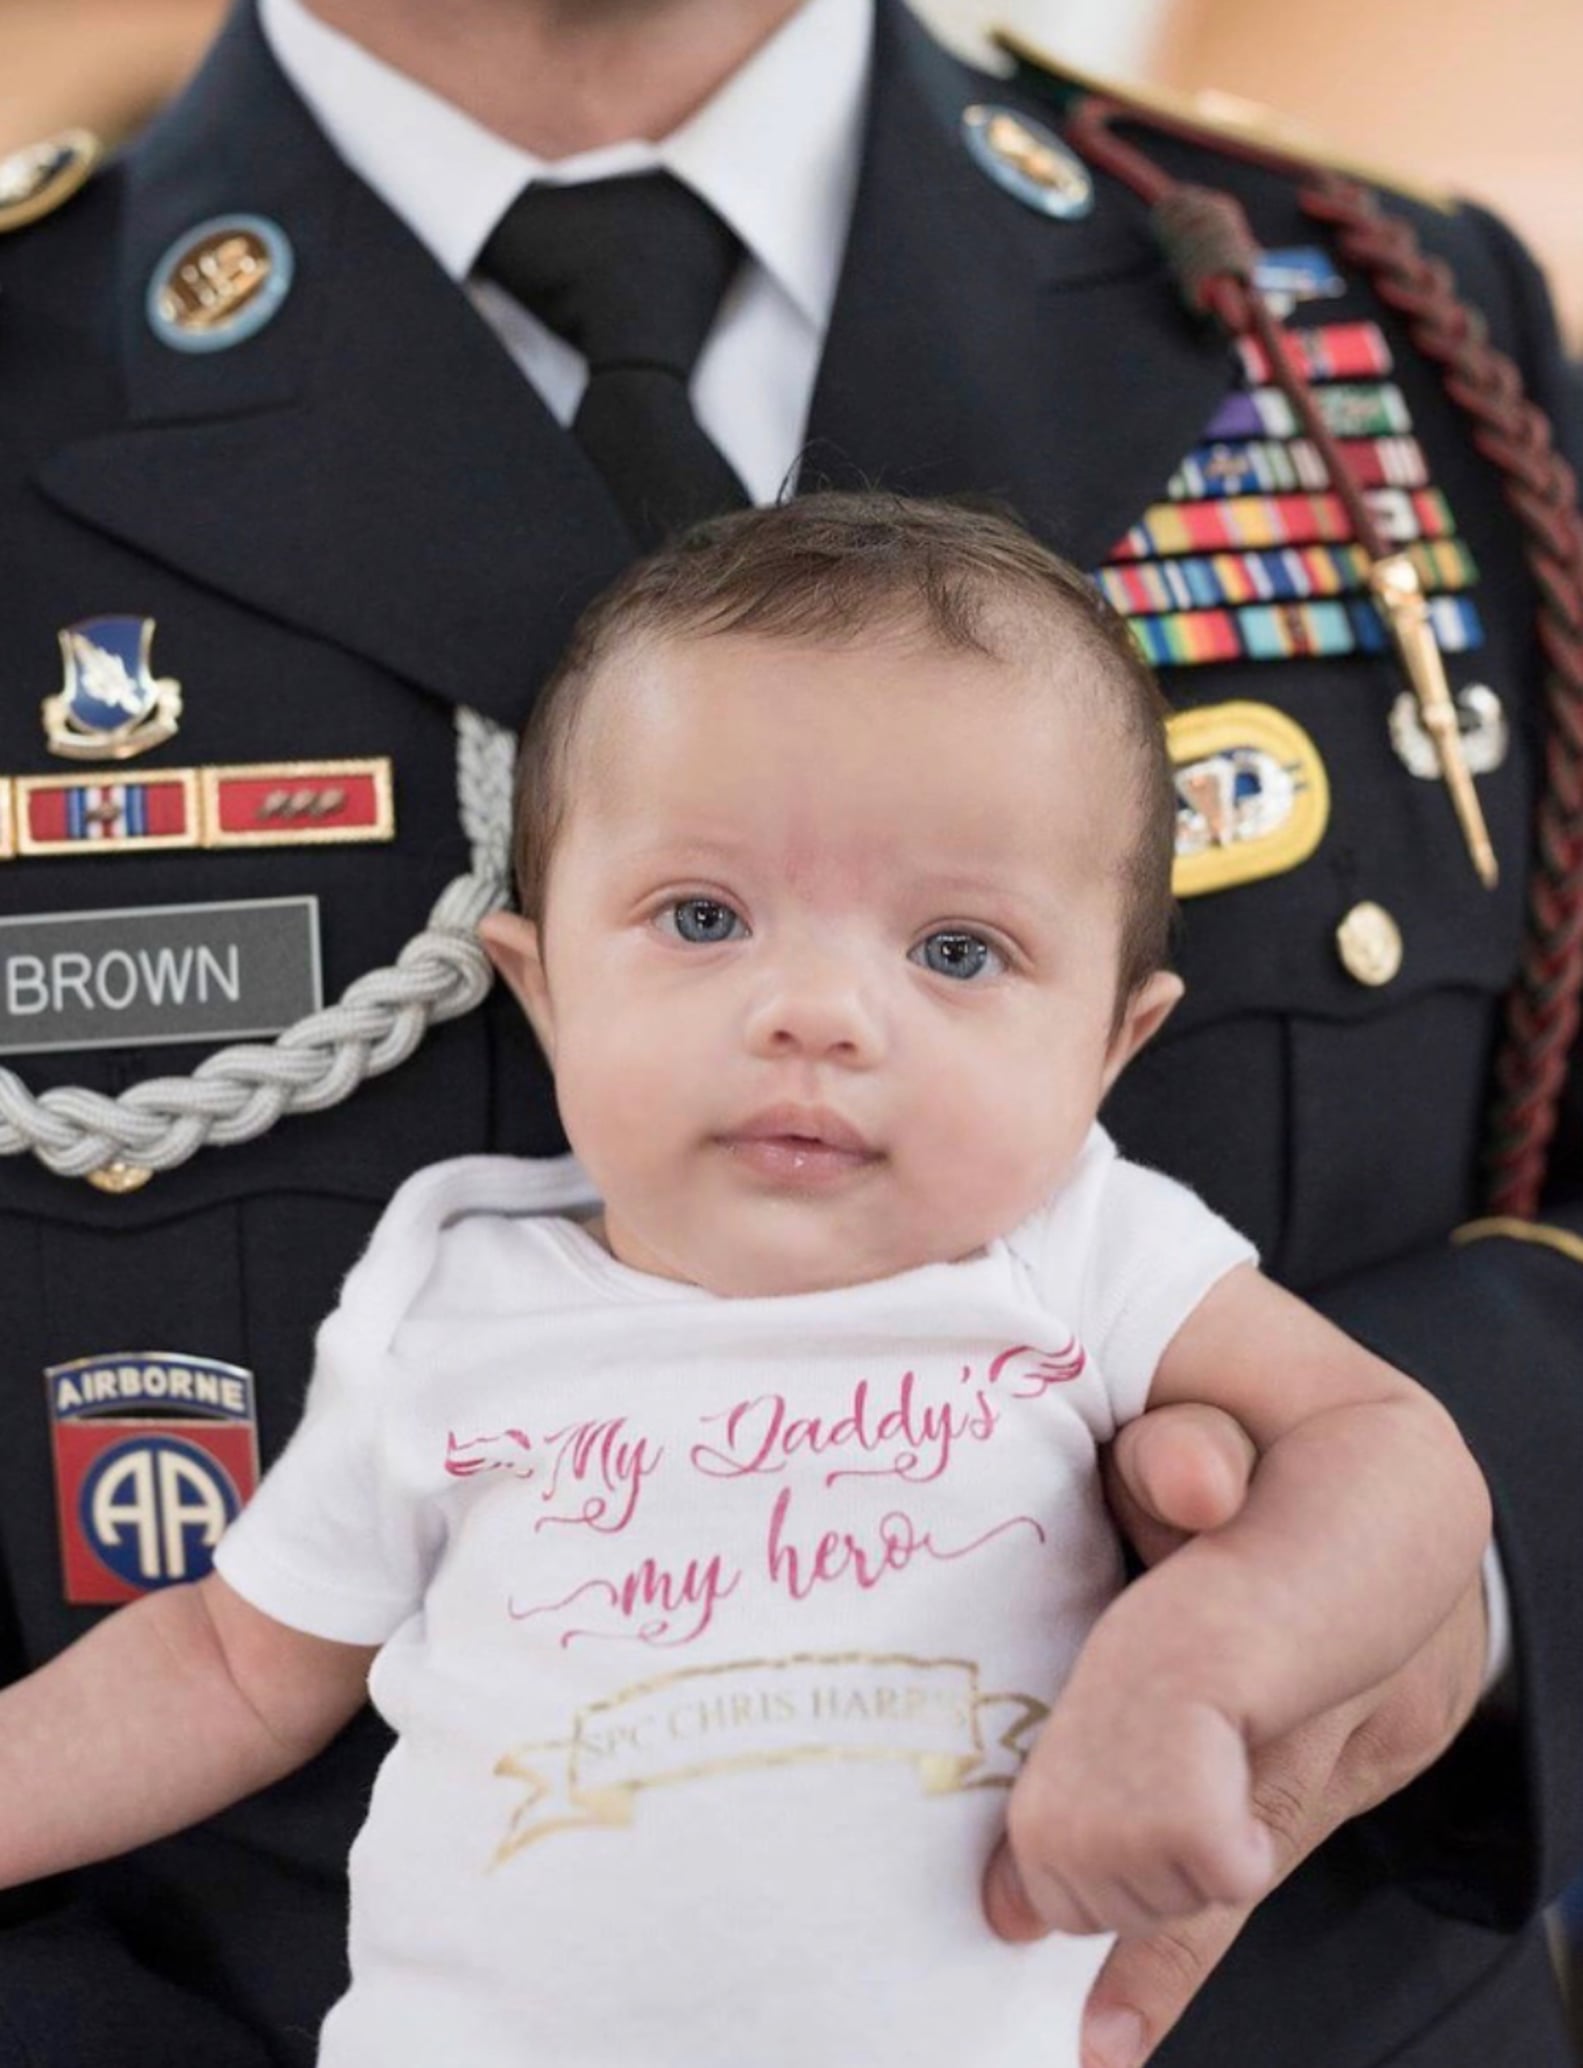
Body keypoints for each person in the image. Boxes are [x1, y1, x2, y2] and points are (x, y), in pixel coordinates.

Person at [0, 2, 1576, 2065]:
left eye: (959, 953)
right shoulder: (445, 1310)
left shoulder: (1374, 319)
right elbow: (219, 1665)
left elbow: (1448, 1402)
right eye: (704, 921)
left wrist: (1434, 1581)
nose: (817, 1014)